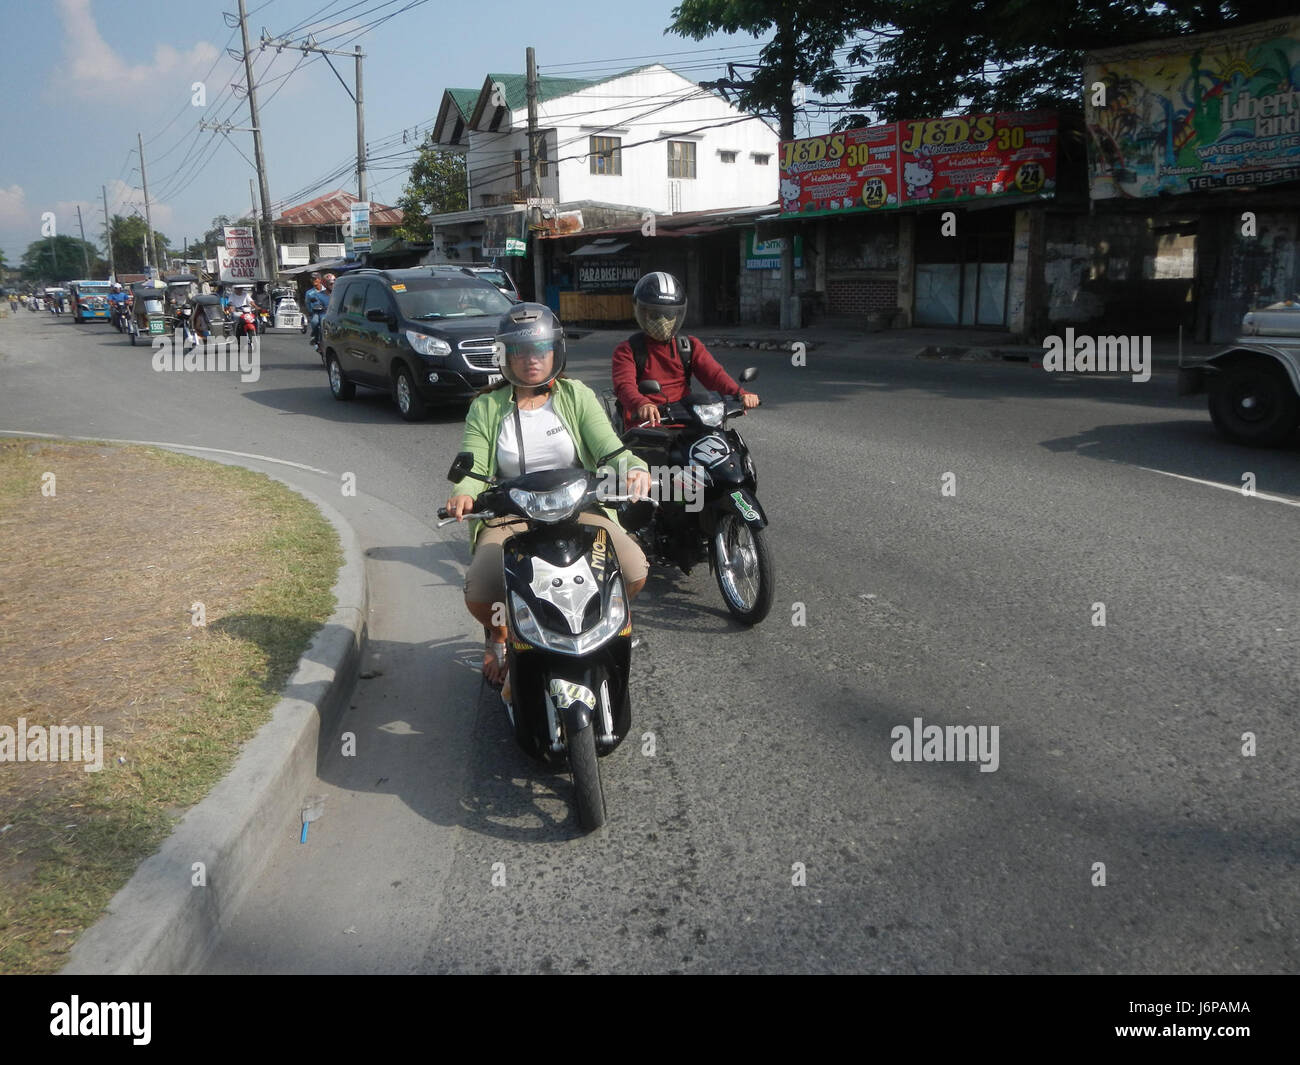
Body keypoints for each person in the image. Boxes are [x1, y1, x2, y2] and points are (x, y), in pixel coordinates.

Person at [446, 303, 652, 688]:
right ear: (506, 356)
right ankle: (500, 635)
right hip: (511, 514)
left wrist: (634, 467)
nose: (531, 360)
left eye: (539, 350)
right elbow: (472, 467)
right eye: (520, 351)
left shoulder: (577, 395)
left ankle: (602, 629)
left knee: (633, 567)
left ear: (555, 351)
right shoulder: (486, 406)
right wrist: (465, 493)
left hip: (577, 509)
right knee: (482, 591)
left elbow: (610, 448)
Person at [611, 271, 760, 427]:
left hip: (687, 421)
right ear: (642, 313)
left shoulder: (689, 346)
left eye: (669, 315)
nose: (662, 321)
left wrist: (740, 394)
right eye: (655, 314)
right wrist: (641, 403)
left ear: (678, 314)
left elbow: (715, 376)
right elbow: (624, 385)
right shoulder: (627, 350)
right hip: (646, 426)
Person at [304, 274, 328, 349]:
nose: (314, 281)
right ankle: (315, 336)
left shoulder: (327, 290)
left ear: (320, 280)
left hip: (328, 311)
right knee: (315, 321)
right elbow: (307, 303)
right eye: (312, 279)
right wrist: (311, 311)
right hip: (317, 313)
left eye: (316, 279)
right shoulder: (309, 293)